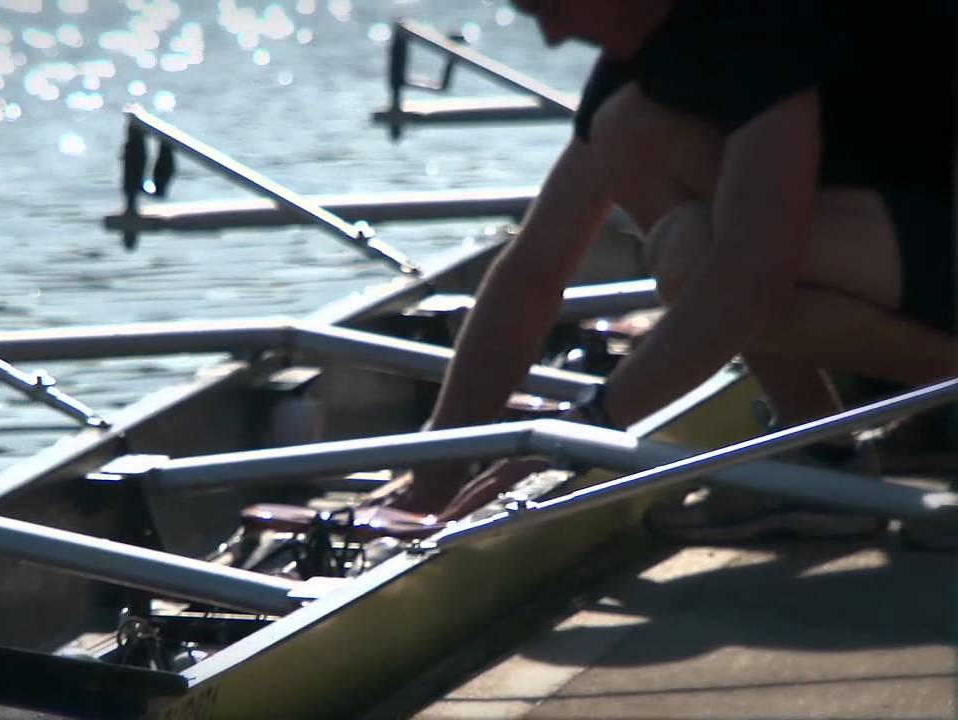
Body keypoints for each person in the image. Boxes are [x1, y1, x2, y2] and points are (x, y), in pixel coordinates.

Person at [391, 0, 958, 540]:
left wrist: (586, 428)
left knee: (695, 253)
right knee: (628, 129)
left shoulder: (764, 20)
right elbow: (532, 276)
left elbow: (748, 273)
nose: (554, 38)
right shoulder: (651, 50)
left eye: (554, 7)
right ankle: (823, 452)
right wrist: (436, 470)